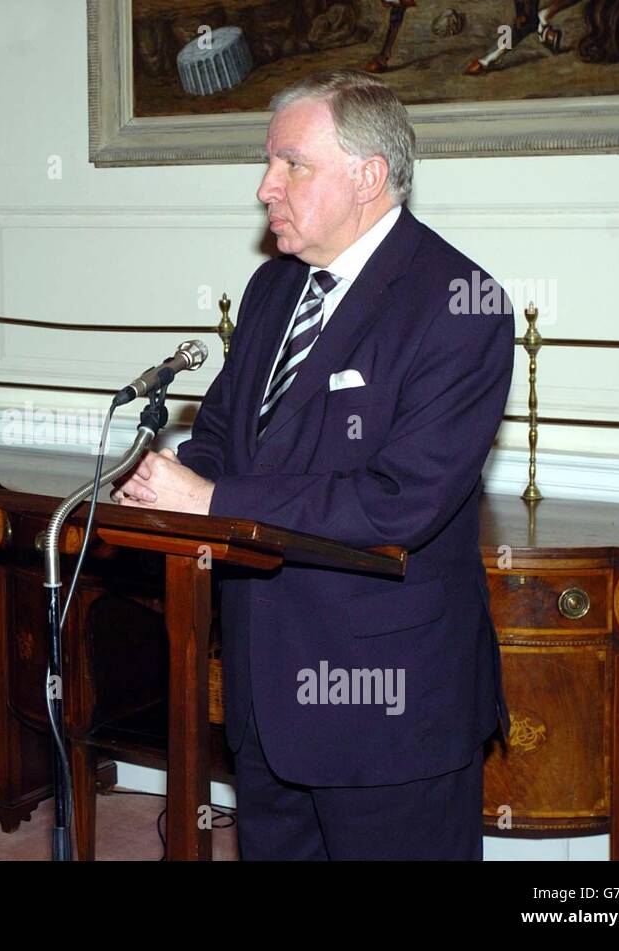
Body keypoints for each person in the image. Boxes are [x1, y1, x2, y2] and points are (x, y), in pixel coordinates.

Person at [112, 70, 514, 860]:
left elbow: (400, 500)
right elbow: (221, 430)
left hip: (388, 710)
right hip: (265, 695)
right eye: (270, 163)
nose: (266, 187)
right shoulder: (273, 287)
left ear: (368, 176)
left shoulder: (462, 303)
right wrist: (166, 483)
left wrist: (213, 498)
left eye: (292, 164)